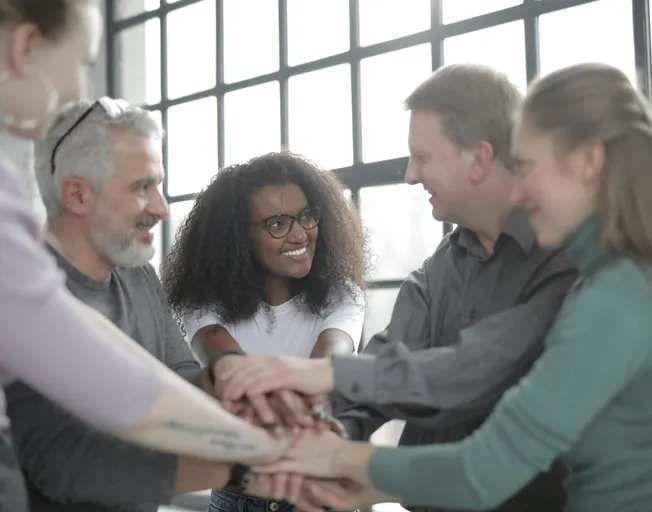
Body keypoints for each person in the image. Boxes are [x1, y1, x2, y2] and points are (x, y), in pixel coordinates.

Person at [250, 62, 652, 512]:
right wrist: (341, 451)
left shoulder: (599, 287)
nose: (518, 190)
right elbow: (391, 370)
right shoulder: (442, 268)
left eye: (526, 165)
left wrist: (335, 435)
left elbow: (476, 382)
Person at [0, 1, 288, 510]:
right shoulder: (23, 277)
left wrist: (231, 385)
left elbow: (164, 375)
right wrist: (263, 462)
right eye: (142, 187)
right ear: (77, 196)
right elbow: (71, 458)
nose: (160, 206)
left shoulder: (137, 276)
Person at [161, 150, 368, 512]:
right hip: (240, 496)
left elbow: (329, 364)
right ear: (239, 237)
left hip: (319, 491)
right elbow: (230, 368)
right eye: (277, 223)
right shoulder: (203, 304)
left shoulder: (343, 295)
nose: (300, 234)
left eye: (306, 216)